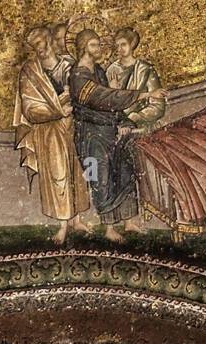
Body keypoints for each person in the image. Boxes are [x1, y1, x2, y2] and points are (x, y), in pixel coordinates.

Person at [69, 29, 162, 240]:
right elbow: (104, 97)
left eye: (99, 44)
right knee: (101, 177)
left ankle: (129, 221)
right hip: (90, 135)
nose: (99, 48)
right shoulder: (78, 75)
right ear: (84, 47)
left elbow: (111, 104)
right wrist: (144, 94)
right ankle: (110, 228)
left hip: (110, 131)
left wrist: (124, 120)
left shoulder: (99, 70)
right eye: (94, 45)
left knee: (124, 172)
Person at [14, 25, 91, 243]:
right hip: (48, 131)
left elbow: (85, 93)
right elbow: (30, 108)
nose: (41, 49)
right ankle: (62, 225)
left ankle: (77, 220)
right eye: (36, 46)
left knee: (78, 172)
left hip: (73, 126)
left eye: (43, 43)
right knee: (58, 175)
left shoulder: (70, 66)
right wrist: (58, 109)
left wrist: (72, 101)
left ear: (50, 41)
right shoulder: (30, 71)